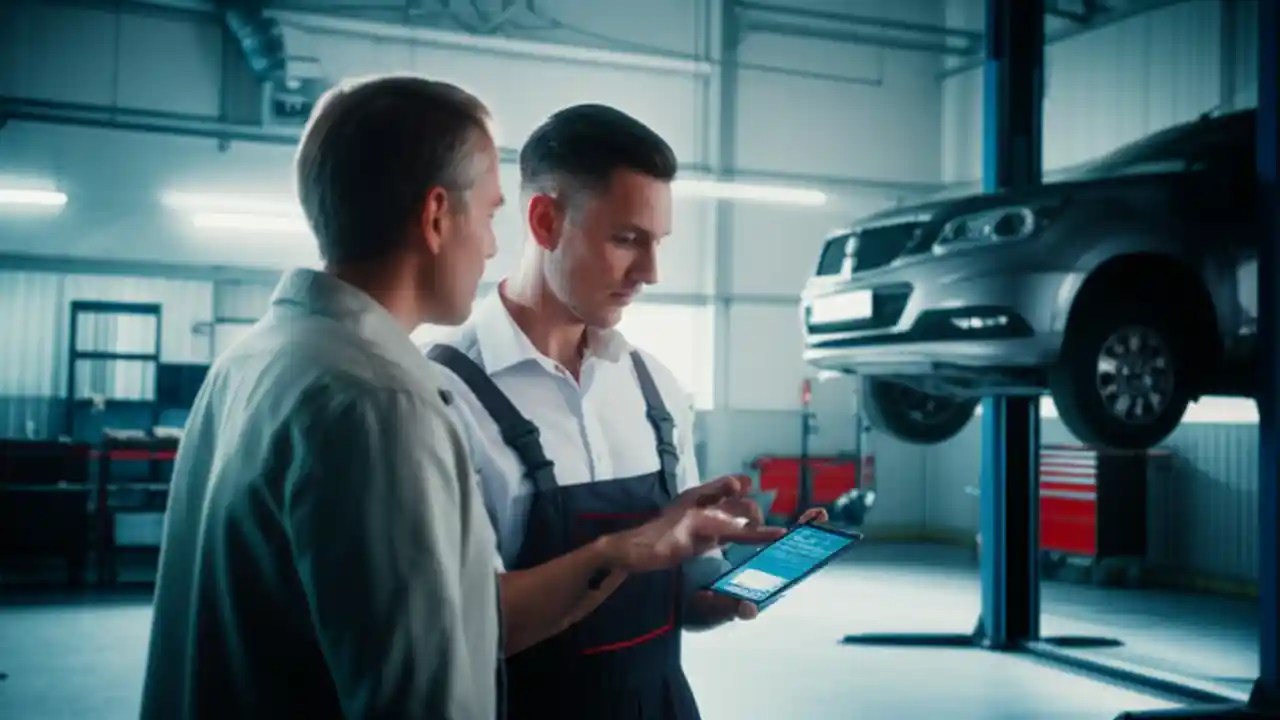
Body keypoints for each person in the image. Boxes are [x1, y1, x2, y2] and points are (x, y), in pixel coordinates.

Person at [140, 76, 776, 720]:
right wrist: (618, 553)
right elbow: (432, 676)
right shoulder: (391, 399)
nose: (494, 245)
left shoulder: (248, 364)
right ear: (439, 216)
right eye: (491, 213)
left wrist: (691, 569)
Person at [424, 103, 826, 719]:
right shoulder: (442, 394)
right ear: (545, 220)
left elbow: (687, 601)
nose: (651, 272)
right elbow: (458, 629)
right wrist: (624, 548)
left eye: (657, 243)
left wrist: (742, 587)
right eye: (626, 239)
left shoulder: (656, 390)